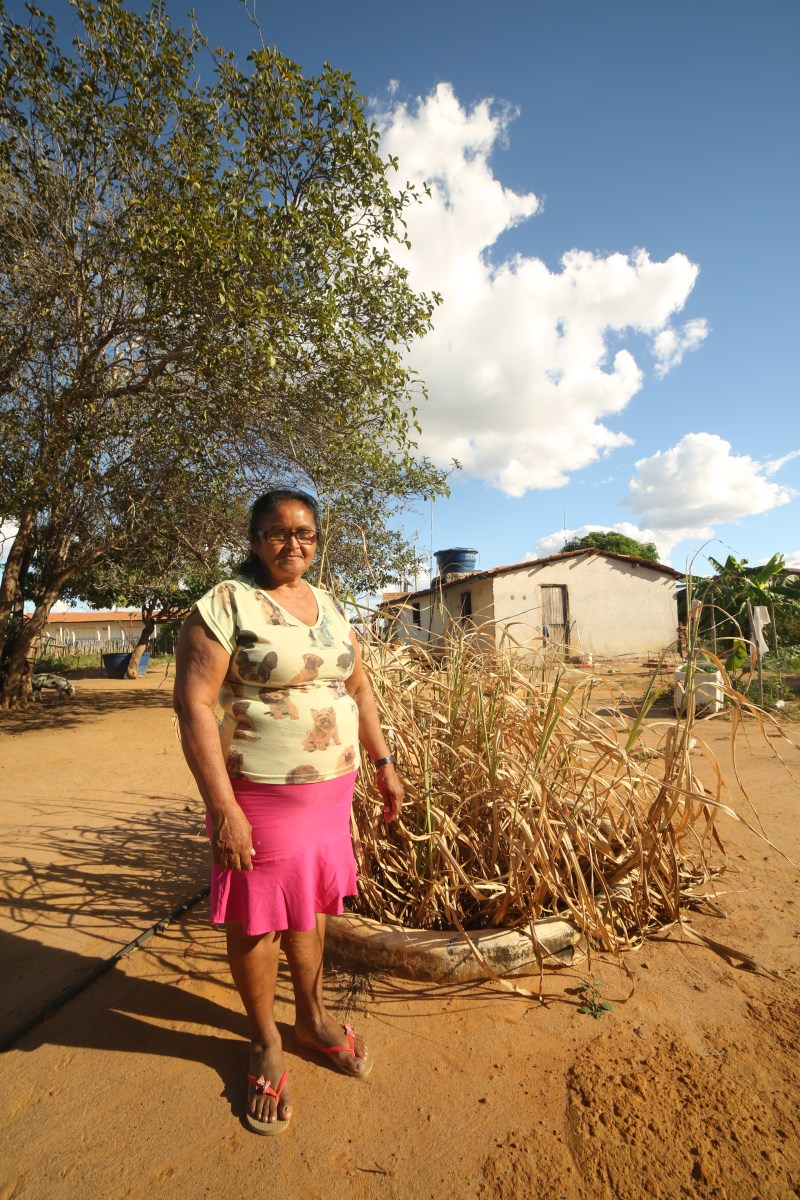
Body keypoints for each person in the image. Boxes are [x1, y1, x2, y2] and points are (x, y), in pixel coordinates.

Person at [173, 488, 403, 1135]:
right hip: (260, 793)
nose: (292, 544)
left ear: (316, 541)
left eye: (304, 534)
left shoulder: (329, 605)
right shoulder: (226, 603)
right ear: (253, 539)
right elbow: (193, 705)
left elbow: (358, 687)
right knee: (256, 915)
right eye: (277, 533)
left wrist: (382, 764)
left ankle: (311, 1017)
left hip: (331, 790)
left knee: (310, 905)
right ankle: (266, 1039)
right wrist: (223, 809)